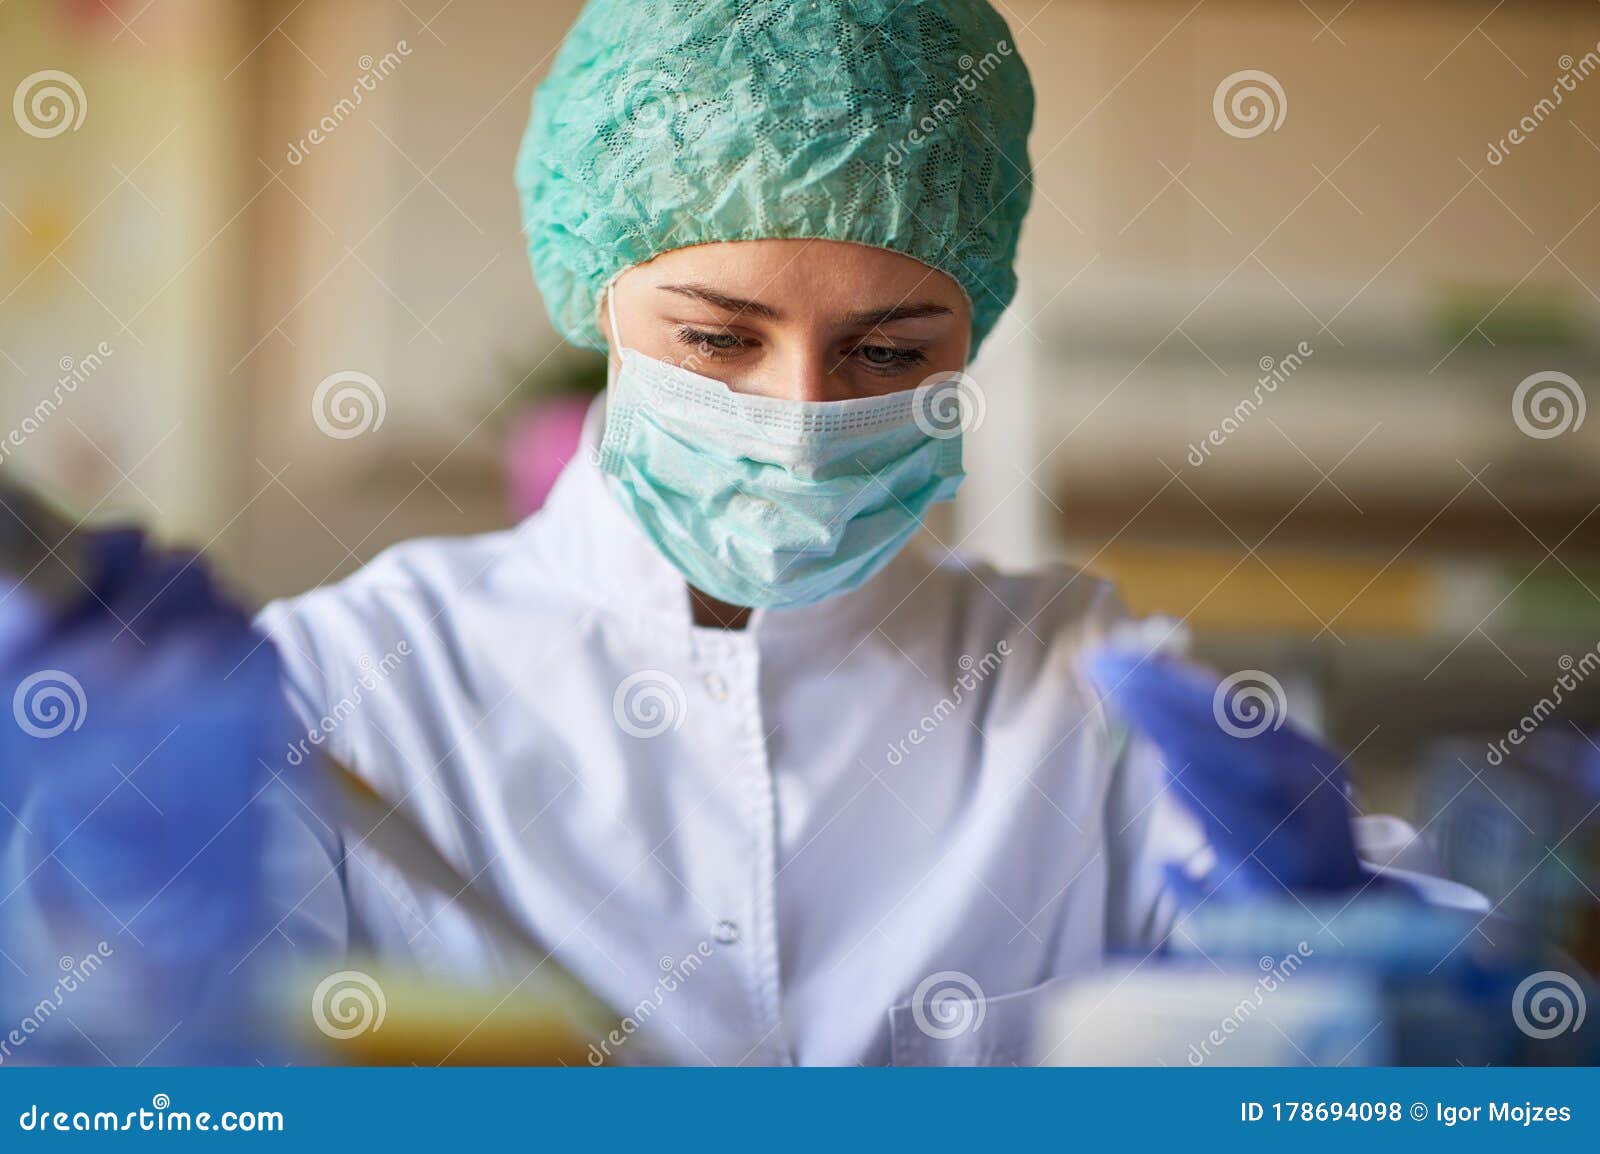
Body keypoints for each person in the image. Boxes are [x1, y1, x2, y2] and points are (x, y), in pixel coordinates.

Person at [250, 0, 1477, 1065]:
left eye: (888, 352)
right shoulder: (345, 684)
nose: (799, 422)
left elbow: (1464, 1057)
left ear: (972, 333)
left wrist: (1352, 964)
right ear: (600, 301)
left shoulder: (1075, 682)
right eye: (717, 339)